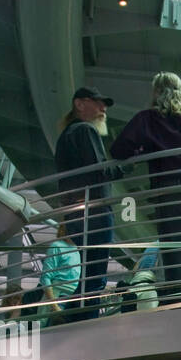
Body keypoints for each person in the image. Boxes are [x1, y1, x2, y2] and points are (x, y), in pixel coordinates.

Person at [110, 72, 181, 292]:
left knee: (176, 255)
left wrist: (143, 151)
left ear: (157, 92)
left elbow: (118, 150)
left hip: (168, 191)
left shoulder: (147, 119)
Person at [54, 85, 121, 319]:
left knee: (88, 275)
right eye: (97, 102)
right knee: (95, 277)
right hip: (94, 211)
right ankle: (83, 325)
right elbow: (99, 170)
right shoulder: (84, 130)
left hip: (76, 212)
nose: (103, 108)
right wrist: (125, 166)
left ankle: (69, 319)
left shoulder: (67, 134)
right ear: (79, 104)